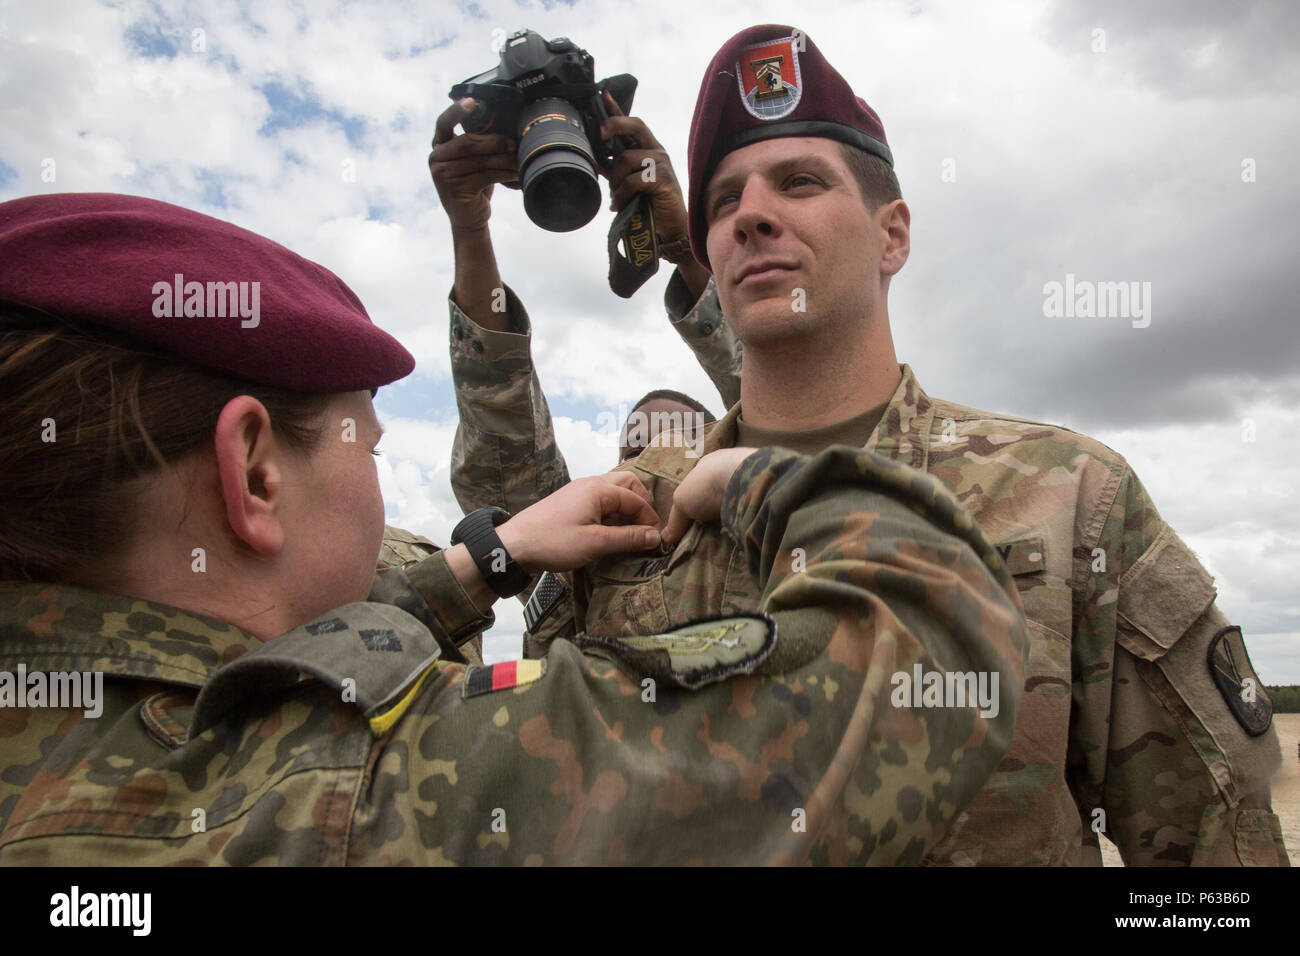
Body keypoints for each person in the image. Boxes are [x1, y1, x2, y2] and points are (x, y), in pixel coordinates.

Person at [463, 24, 1290, 867]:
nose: (752, 215)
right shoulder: (635, 515)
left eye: (800, 182)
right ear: (709, 247)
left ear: (892, 234)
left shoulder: (1070, 496)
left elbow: (1217, 871)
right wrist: (472, 229)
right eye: (724, 202)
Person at [0, 191, 1029, 865]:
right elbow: (925, 621)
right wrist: (745, 477)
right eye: (362, 429)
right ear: (254, 472)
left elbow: (255, 678)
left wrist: (482, 558)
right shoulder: (354, 797)